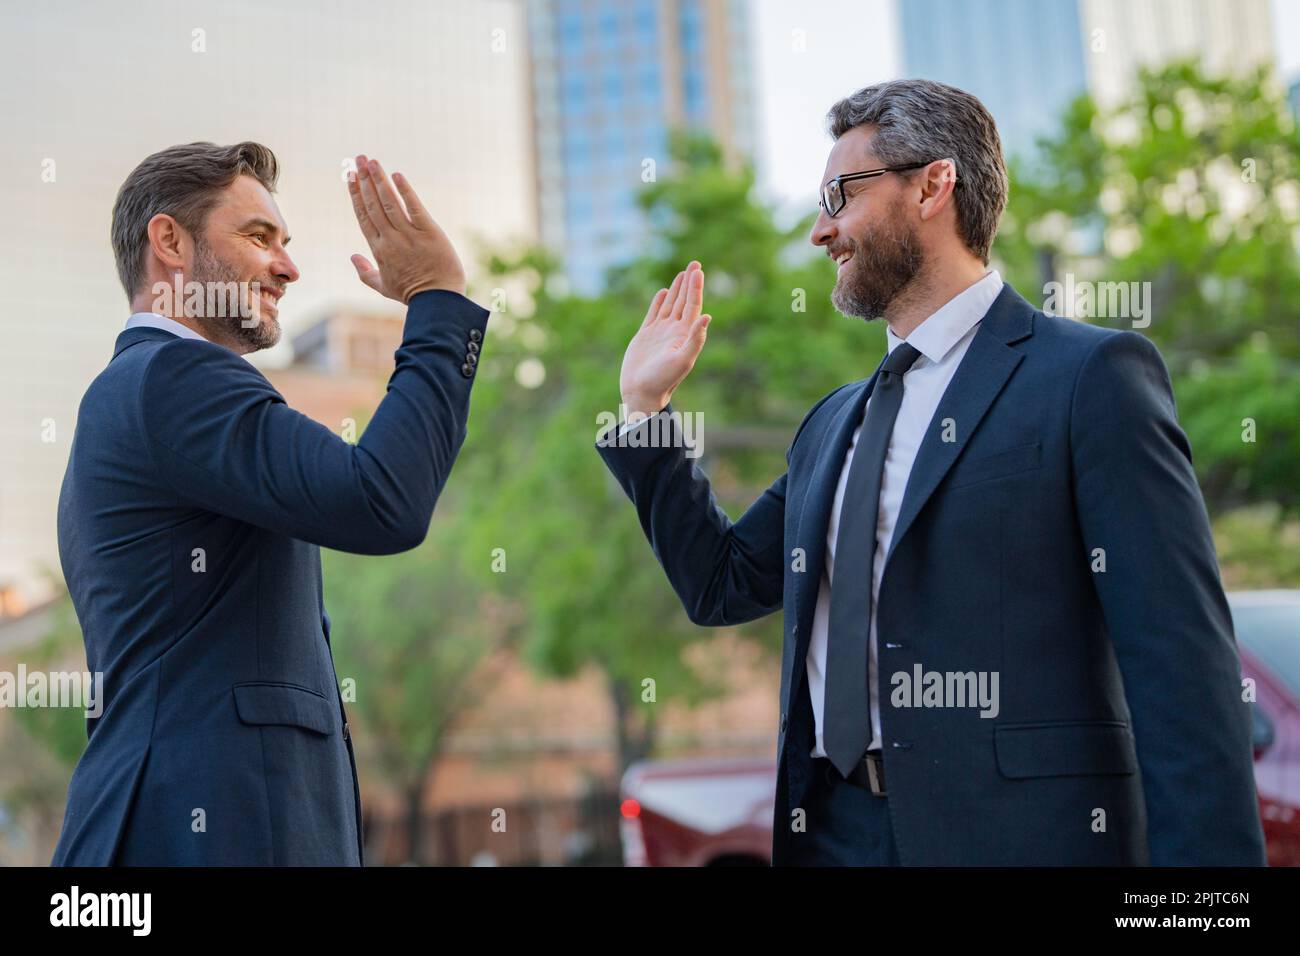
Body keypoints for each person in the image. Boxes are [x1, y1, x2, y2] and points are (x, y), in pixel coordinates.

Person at [596, 79, 1265, 866]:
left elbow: (1183, 670)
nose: (821, 230)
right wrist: (645, 409)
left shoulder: (1092, 377)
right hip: (835, 837)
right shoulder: (830, 425)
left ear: (933, 185)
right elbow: (722, 585)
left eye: (840, 195)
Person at [52, 143, 487, 865]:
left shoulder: (140, 393)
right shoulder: (174, 376)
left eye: (285, 243)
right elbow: (382, 501)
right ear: (170, 242)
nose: (287, 267)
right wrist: (437, 304)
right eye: (259, 237)